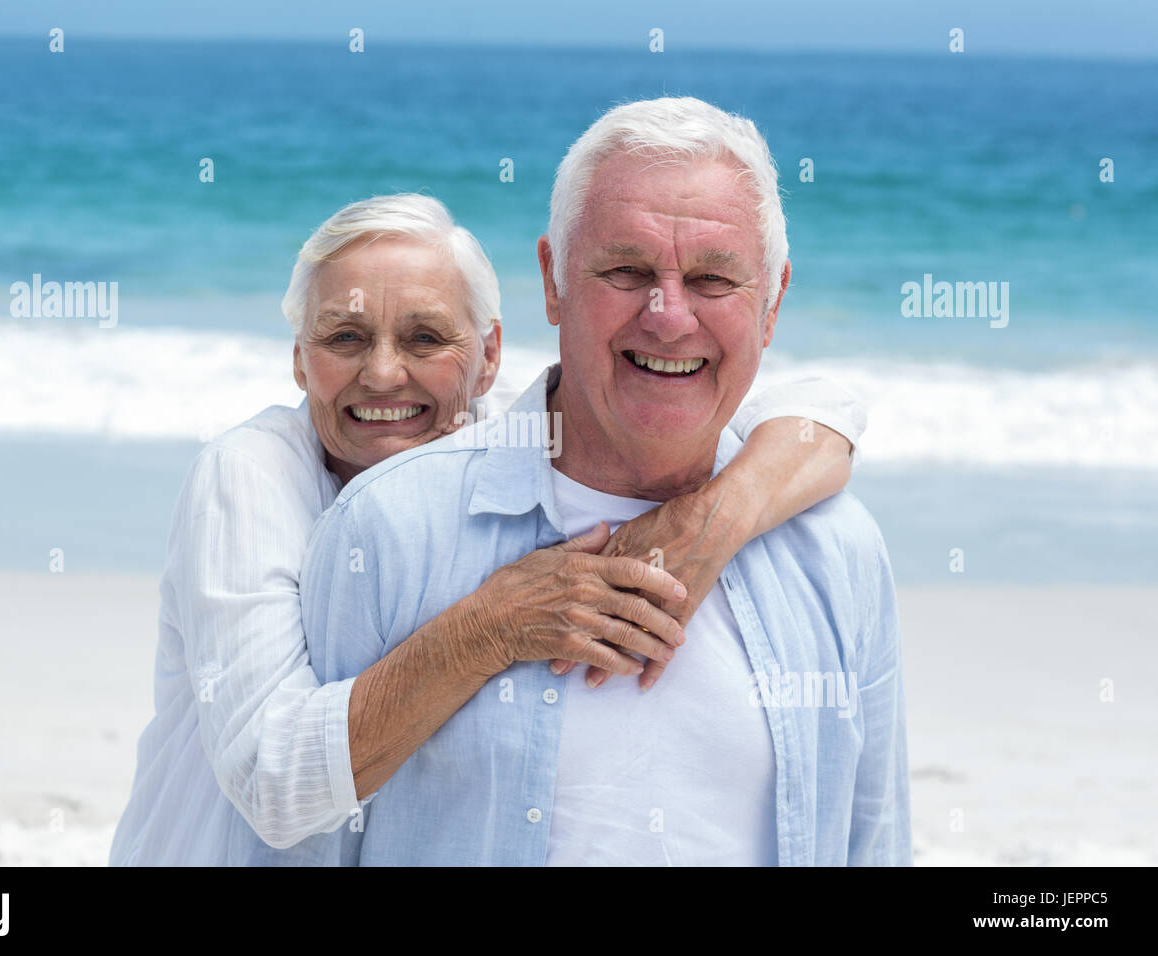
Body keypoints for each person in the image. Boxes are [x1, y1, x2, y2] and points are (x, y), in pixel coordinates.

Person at [111, 190, 867, 865]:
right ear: (301, 363)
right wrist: (495, 624)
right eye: (344, 339)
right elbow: (276, 784)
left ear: (488, 358)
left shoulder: (497, 456)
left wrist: (717, 518)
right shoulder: (250, 474)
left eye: (423, 339)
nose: (382, 374)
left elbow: (826, 407)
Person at [296, 98, 910, 866]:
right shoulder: (386, 528)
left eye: (715, 279)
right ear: (553, 282)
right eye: (626, 270)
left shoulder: (838, 548)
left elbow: (873, 841)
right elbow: (300, 830)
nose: (668, 315)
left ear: (773, 301)